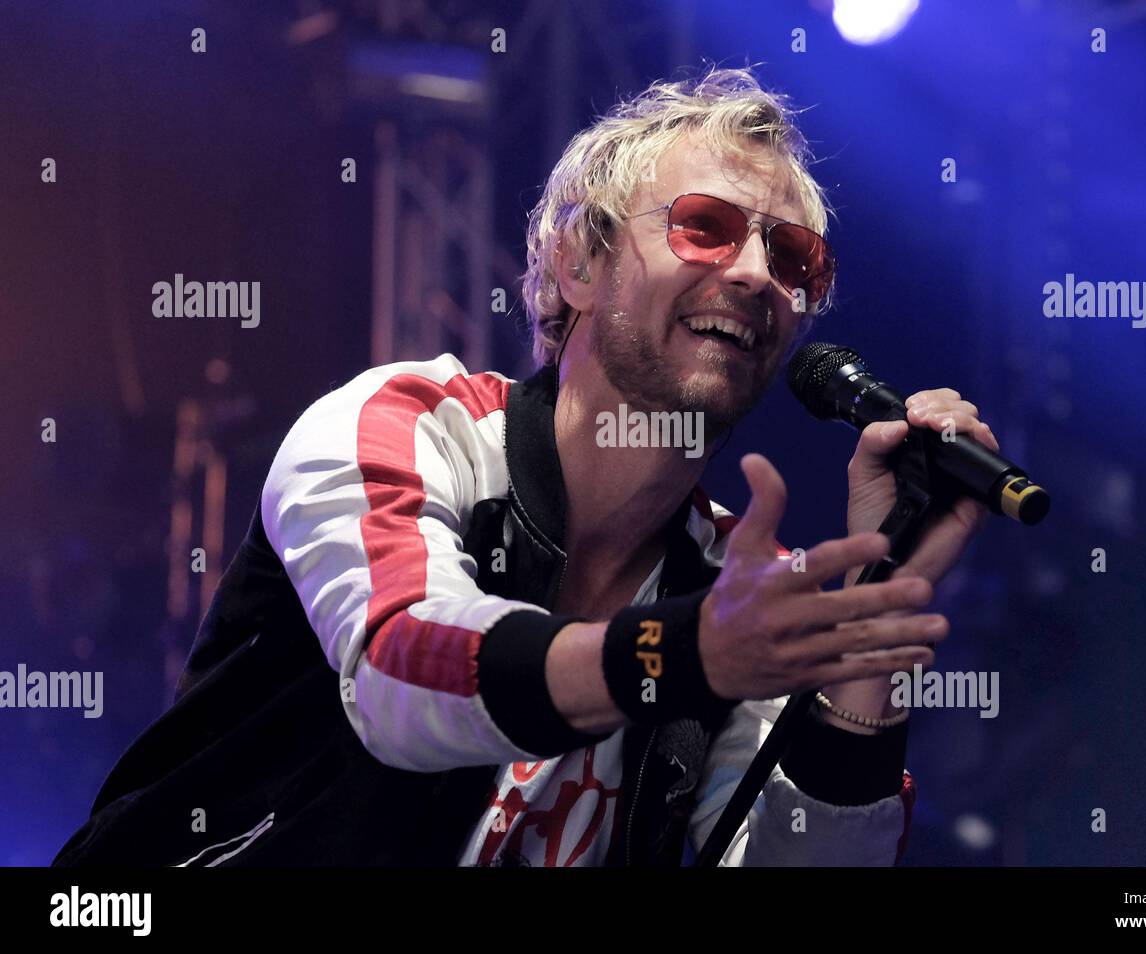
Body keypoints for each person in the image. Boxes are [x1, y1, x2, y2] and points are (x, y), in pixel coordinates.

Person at [53, 65, 1000, 867]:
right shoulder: (410, 424)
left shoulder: (736, 598)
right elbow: (403, 671)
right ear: (579, 264)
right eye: (705, 226)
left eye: (793, 256)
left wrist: (879, 598)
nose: (756, 273)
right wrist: (683, 654)